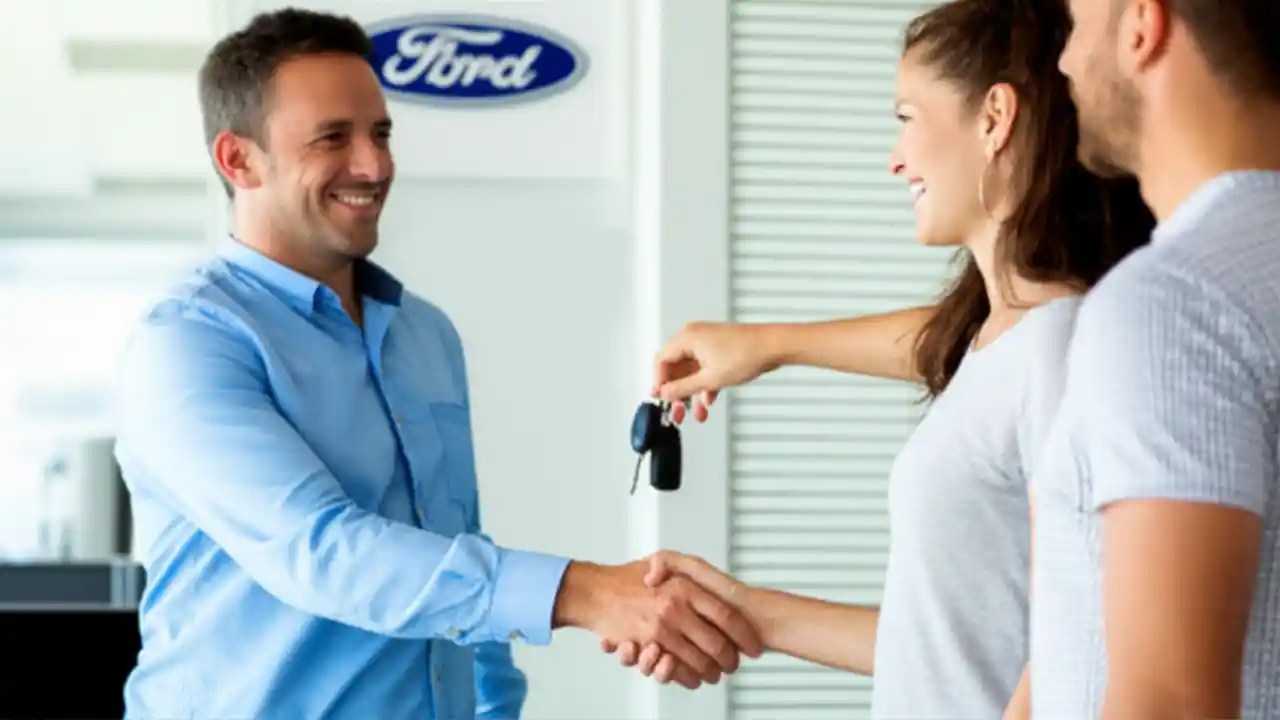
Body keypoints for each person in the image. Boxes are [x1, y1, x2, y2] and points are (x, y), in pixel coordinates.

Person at [111, 8, 761, 719]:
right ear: (239, 160)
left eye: (380, 133)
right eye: (333, 138)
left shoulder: (424, 333)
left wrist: (494, 706)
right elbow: (322, 552)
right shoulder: (188, 344)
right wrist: (589, 592)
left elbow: (456, 547)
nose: (374, 165)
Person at [602, 0, 1155, 718]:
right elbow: (951, 645)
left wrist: (769, 346)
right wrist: (746, 612)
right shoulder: (1002, 342)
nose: (894, 159)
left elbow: (1082, 641)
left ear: (994, 118)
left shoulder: (1056, 350)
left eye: (905, 117)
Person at [1026, 1, 1280, 717]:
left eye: (1076, 22)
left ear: (1143, 22)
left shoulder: (1176, 300)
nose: (1066, 60)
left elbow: (1170, 704)